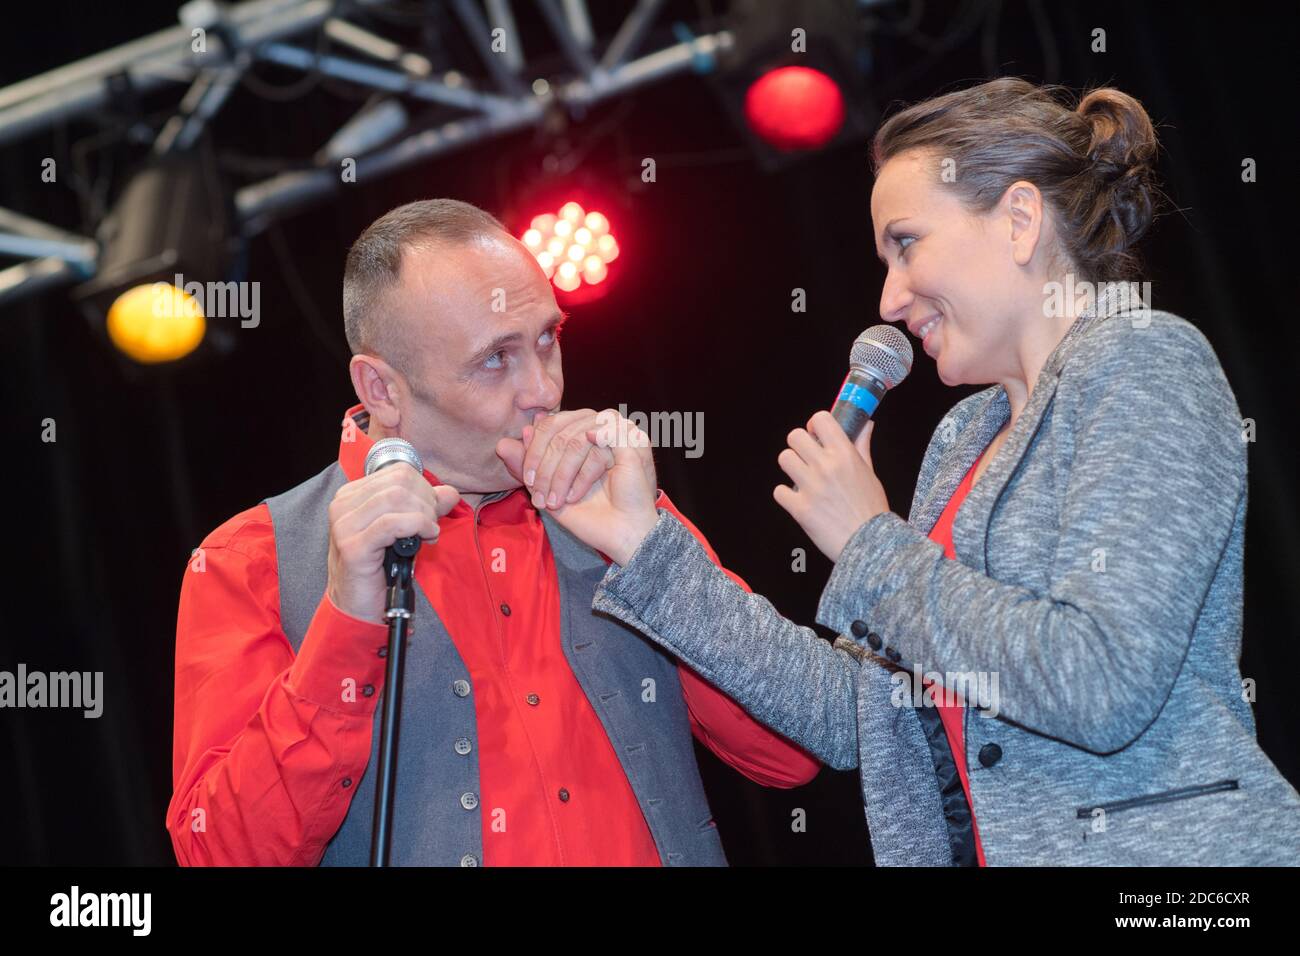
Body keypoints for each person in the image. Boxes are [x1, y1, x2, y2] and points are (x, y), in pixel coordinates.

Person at [530, 78, 1300, 865]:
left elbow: (1100, 682)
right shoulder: (965, 437)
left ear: (1019, 220)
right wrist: (643, 545)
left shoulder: (1142, 360)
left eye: (907, 244)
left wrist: (868, 539)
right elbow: (857, 716)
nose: (890, 299)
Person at [166, 199, 819, 867]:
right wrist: (345, 624)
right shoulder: (248, 560)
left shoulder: (614, 505)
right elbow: (223, 855)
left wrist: (650, 554)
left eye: (546, 339)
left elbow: (794, 753)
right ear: (382, 389)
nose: (543, 388)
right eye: (494, 361)